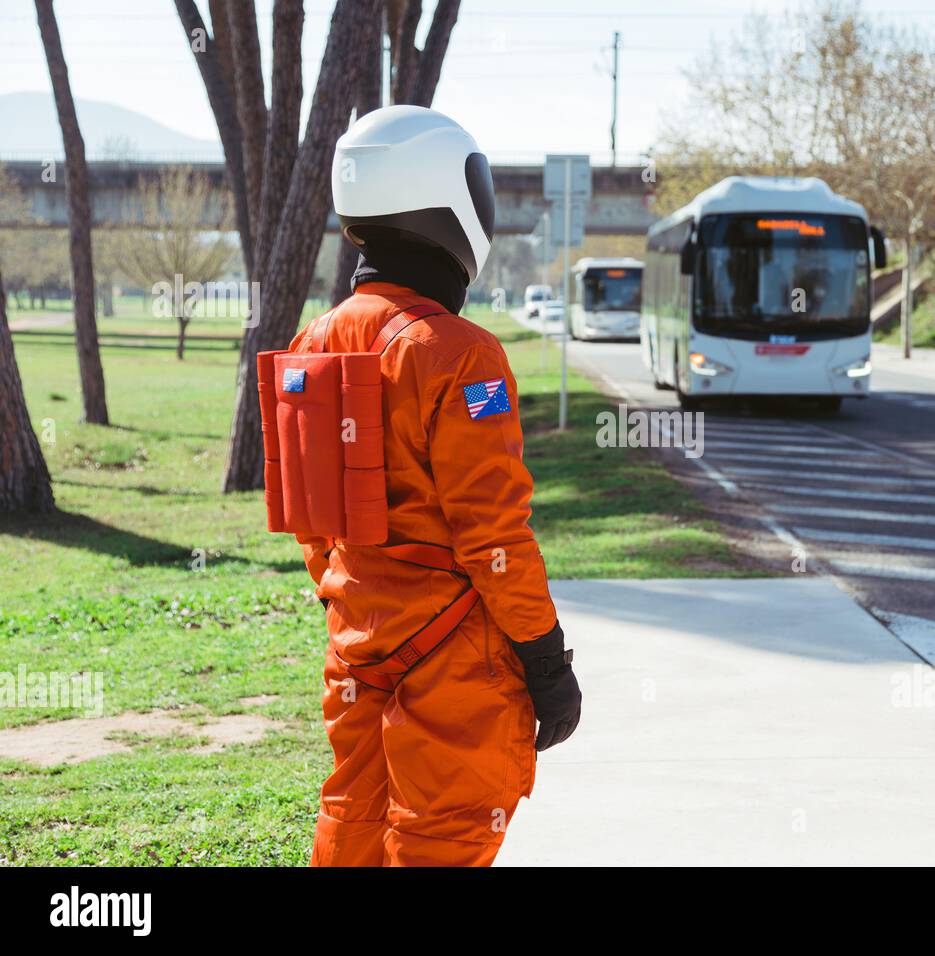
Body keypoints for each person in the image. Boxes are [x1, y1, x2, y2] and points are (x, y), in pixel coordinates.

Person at [290, 105, 581, 867]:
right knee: (440, 839)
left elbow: (313, 523)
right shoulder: (458, 354)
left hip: (358, 645)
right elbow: (494, 540)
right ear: (445, 200)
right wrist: (546, 664)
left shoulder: (312, 343)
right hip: (454, 654)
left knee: (351, 821)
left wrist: (361, 603)